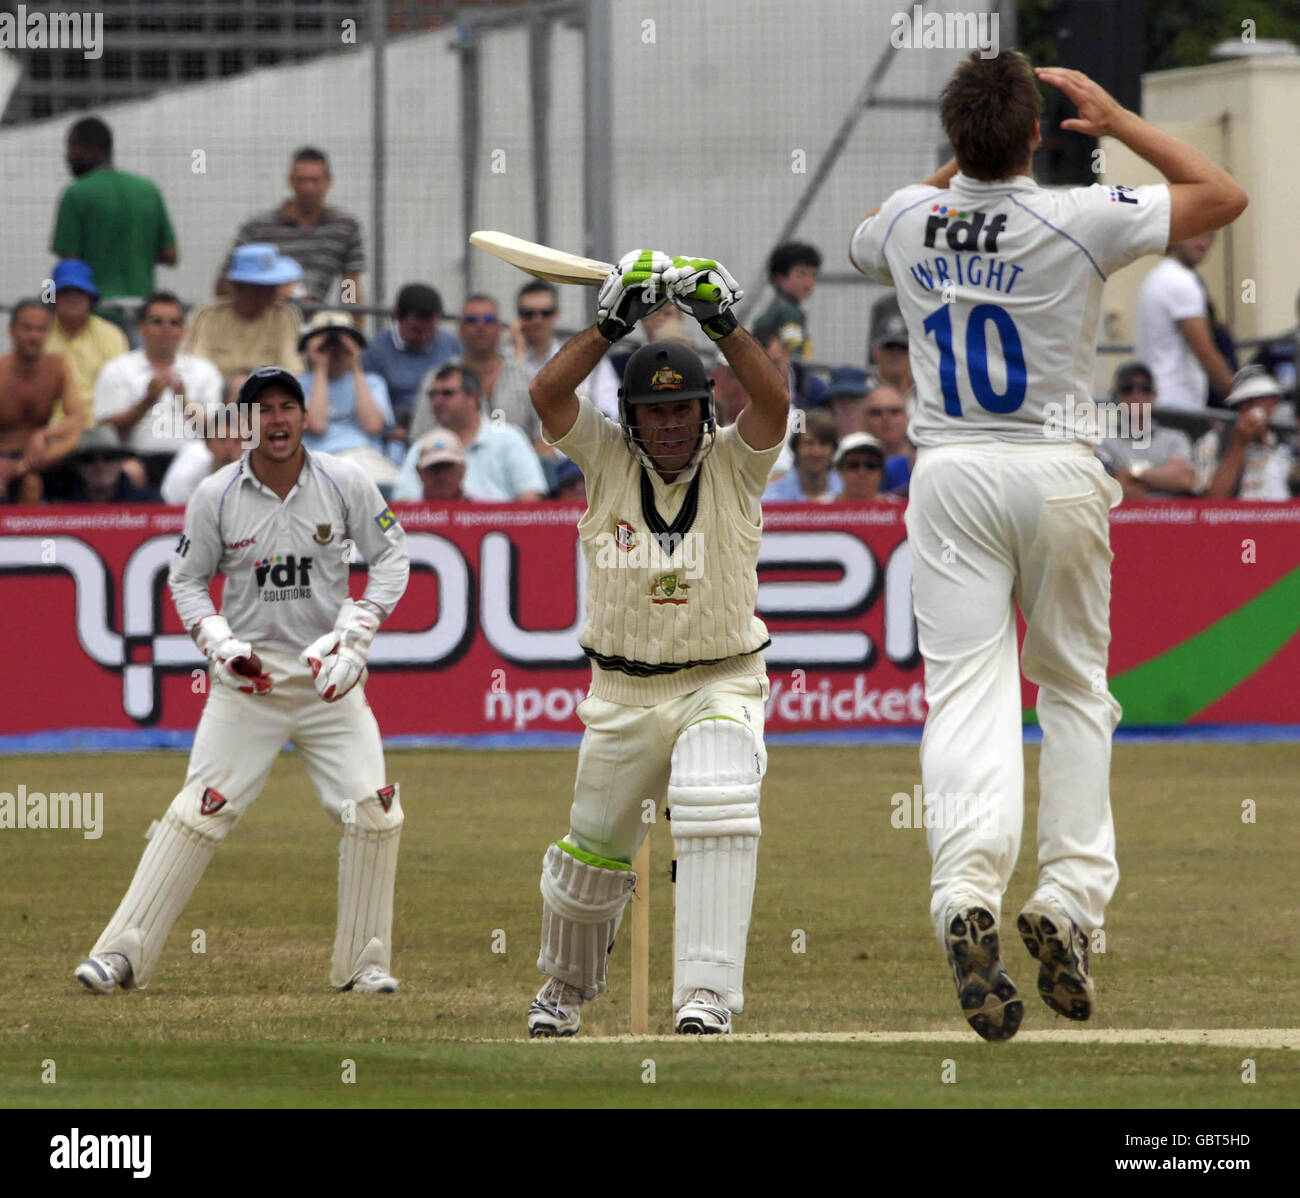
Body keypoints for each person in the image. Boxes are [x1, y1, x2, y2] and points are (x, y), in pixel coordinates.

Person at [849, 52, 1246, 1041]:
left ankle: (960, 896)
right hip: (1059, 469)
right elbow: (1221, 194)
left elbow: (873, 232)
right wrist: (1114, 119)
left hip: (947, 477)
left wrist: (956, 167)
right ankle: (1067, 901)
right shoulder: (1081, 213)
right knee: (1071, 691)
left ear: (955, 140)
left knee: (966, 694)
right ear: (1037, 134)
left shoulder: (906, 214)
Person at [75, 366, 410, 996]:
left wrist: (356, 632)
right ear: (244, 422)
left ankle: (363, 964)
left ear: (305, 416)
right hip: (248, 685)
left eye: (288, 407)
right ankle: (120, 957)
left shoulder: (345, 482)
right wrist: (220, 644)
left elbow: (393, 556)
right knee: (200, 811)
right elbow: (187, 580)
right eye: (263, 410)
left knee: (375, 812)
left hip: (328, 682)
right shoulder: (216, 494)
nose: (276, 420)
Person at [524, 249, 789, 1037]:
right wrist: (612, 321)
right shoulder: (604, 458)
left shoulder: (738, 465)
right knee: (590, 860)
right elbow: (545, 393)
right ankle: (565, 991)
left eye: (682, 412)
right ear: (631, 417)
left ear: (705, 411)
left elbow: (775, 404)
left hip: (721, 680)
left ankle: (705, 996)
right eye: (654, 412)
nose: (669, 425)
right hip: (621, 692)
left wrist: (725, 324)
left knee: (715, 801)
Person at [93, 292, 224, 487]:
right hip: (137, 457)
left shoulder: (205, 370)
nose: (166, 329)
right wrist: (146, 401)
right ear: (142, 328)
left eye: (174, 323)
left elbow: (217, 430)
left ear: (183, 331)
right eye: (157, 322)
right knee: (127, 470)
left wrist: (184, 402)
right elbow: (107, 430)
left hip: (192, 458)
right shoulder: (118, 369)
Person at [51, 115, 178, 303]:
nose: (67, 157)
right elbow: (170, 255)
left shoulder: (75, 193)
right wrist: (136, 253)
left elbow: (70, 263)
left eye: (72, 147)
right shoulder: (148, 189)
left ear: (92, 149)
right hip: (142, 308)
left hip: (97, 308)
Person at [218, 147, 364, 305]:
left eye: (315, 180)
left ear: (329, 181)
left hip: (315, 319)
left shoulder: (344, 227)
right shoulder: (258, 228)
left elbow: (350, 283)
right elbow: (224, 285)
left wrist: (349, 321)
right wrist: (268, 292)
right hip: (266, 315)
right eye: (301, 180)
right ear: (291, 181)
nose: (308, 188)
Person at [393, 365, 545, 502]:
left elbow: (530, 500)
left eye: (447, 393)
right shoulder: (422, 446)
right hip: (434, 530)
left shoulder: (509, 438)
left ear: (473, 397)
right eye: (433, 395)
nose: (437, 401)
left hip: (499, 529)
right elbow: (404, 504)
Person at [408, 294, 532, 450]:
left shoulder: (526, 377)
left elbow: (545, 438)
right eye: (472, 320)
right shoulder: (436, 379)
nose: (481, 326)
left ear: (500, 328)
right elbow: (420, 439)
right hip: (455, 468)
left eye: (488, 320)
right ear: (460, 329)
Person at [1135, 232, 1236, 412]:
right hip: (1176, 404)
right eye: (1196, 234)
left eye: (1211, 236)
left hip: (1164, 399)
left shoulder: (1159, 276)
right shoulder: (1180, 281)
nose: (1204, 243)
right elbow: (1205, 353)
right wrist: (1240, 400)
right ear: (1175, 234)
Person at [297, 311, 397, 489]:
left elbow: (373, 426)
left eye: (341, 343)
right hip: (319, 459)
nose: (334, 349)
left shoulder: (372, 382)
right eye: (326, 344)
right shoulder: (299, 384)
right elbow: (316, 425)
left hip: (364, 457)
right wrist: (320, 368)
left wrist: (355, 365)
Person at [0, 299, 85, 502]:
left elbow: (77, 418)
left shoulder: (58, 366)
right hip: (3, 454)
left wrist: (44, 433)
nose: (34, 337)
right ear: (12, 331)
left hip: (40, 457)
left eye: (41, 330)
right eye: (27, 329)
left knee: (76, 439)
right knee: (31, 483)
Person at [186, 245, 305, 377]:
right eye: (262, 286)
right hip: (216, 394)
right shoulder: (209, 316)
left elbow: (293, 368)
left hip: (267, 393)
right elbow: (195, 365)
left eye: (273, 284)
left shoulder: (284, 317)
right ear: (239, 287)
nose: (271, 291)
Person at [512, 280, 620, 418]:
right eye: (528, 314)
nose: (537, 320)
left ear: (557, 314)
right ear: (519, 317)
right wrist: (518, 353)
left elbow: (611, 411)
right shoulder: (506, 358)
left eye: (546, 313)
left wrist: (583, 407)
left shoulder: (585, 356)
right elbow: (513, 408)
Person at [360, 283, 462, 430]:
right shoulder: (375, 351)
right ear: (398, 318)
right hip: (395, 429)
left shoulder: (451, 345)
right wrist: (390, 431)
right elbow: (369, 401)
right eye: (416, 331)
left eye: (431, 330)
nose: (424, 337)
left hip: (445, 424)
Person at [1096, 362, 1196, 500]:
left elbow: (1184, 479)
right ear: (1116, 395)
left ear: (1154, 395)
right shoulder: (1101, 440)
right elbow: (1111, 487)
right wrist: (1162, 479)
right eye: (1127, 389)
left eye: (1145, 388)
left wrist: (1133, 473)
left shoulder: (1175, 438)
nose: (1137, 394)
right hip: (1122, 519)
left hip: (1170, 517)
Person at [44, 259, 129, 405]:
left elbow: (121, 387)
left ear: (90, 297)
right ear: (53, 298)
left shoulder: (111, 335)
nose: (73, 297)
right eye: (65, 291)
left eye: (80, 291)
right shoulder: (40, 334)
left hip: (100, 421)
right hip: (48, 422)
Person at [1206, 367, 1294, 500]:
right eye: (1246, 400)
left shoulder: (1285, 441)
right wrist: (1239, 444)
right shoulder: (1215, 440)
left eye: (1262, 397)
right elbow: (1210, 506)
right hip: (1237, 518)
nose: (1253, 405)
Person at [160, 376, 248, 507]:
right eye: (222, 439)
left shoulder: (265, 473)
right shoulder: (187, 469)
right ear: (207, 443)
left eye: (237, 441)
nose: (229, 447)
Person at [752, 241, 821, 359]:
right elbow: (793, 353)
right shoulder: (789, 312)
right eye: (802, 274)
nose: (809, 283)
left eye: (813, 275)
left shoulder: (777, 308)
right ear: (780, 278)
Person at [60, 426, 162, 503]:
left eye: (109, 457)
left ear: (121, 462)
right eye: (89, 459)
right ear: (78, 466)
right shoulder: (61, 506)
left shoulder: (150, 502)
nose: (100, 465)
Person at [762, 408, 841, 502]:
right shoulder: (771, 498)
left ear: (834, 449)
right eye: (809, 443)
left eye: (823, 444)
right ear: (796, 447)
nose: (816, 452)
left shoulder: (848, 489)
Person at [863, 383, 915, 496]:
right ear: (863, 420)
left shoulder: (922, 460)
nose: (885, 418)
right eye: (876, 412)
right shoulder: (850, 463)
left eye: (894, 411)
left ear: (907, 417)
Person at [413, 429, 478, 502]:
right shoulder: (406, 511)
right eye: (434, 467)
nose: (441, 476)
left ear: (462, 470)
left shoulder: (484, 510)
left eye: (448, 466)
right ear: (420, 472)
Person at [833, 432, 889, 502]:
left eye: (871, 466)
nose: (862, 473)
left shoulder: (903, 510)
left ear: (882, 472)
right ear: (839, 470)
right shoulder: (819, 508)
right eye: (853, 465)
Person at [824, 365, 870, 438]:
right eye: (841, 399)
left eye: (854, 398)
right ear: (831, 406)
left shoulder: (881, 444)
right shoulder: (821, 445)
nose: (848, 407)